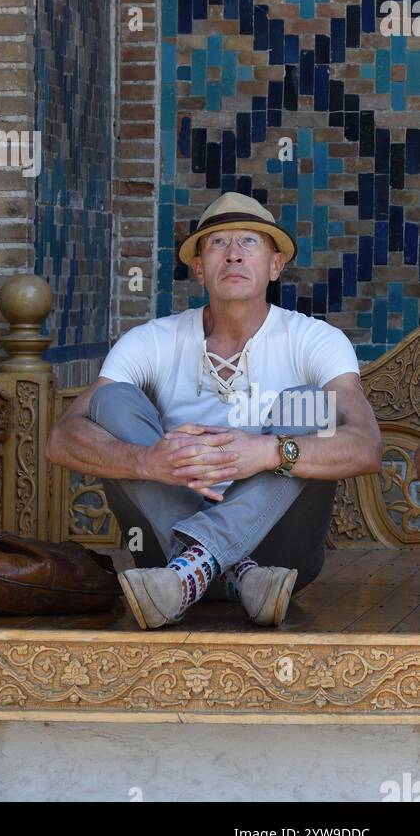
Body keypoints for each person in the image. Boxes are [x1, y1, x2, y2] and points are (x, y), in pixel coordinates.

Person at [46, 193, 382, 629]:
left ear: (275, 266)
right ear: (200, 268)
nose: (235, 254)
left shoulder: (314, 340)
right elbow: (61, 439)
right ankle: (233, 572)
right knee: (111, 401)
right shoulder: (154, 340)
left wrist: (270, 452)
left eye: (249, 242)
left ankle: (199, 564)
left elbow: (366, 446)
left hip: (281, 557)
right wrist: (146, 460)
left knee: (310, 402)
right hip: (171, 557)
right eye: (218, 243)